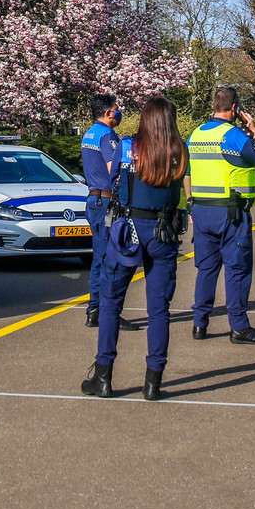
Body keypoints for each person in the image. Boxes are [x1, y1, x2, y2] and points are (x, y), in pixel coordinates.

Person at [81, 96, 189, 400]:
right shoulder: (178, 152)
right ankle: (153, 382)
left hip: (128, 229)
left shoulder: (128, 146)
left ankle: (103, 375)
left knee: (111, 302)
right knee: (159, 309)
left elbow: (114, 175)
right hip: (162, 230)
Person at [188, 88, 255, 344]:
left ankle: (199, 323)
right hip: (231, 212)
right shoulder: (233, 136)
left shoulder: (196, 135)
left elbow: (188, 174)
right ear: (235, 108)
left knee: (206, 268)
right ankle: (238, 326)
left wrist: (191, 203)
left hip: (202, 210)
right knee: (237, 268)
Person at [80, 94, 122, 328]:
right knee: (109, 257)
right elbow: (112, 170)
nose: (118, 112)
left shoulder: (89, 133)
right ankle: (104, 311)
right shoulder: (107, 135)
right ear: (108, 113)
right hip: (106, 202)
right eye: (116, 109)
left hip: (93, 200)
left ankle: (95, 309)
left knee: (99, 255)